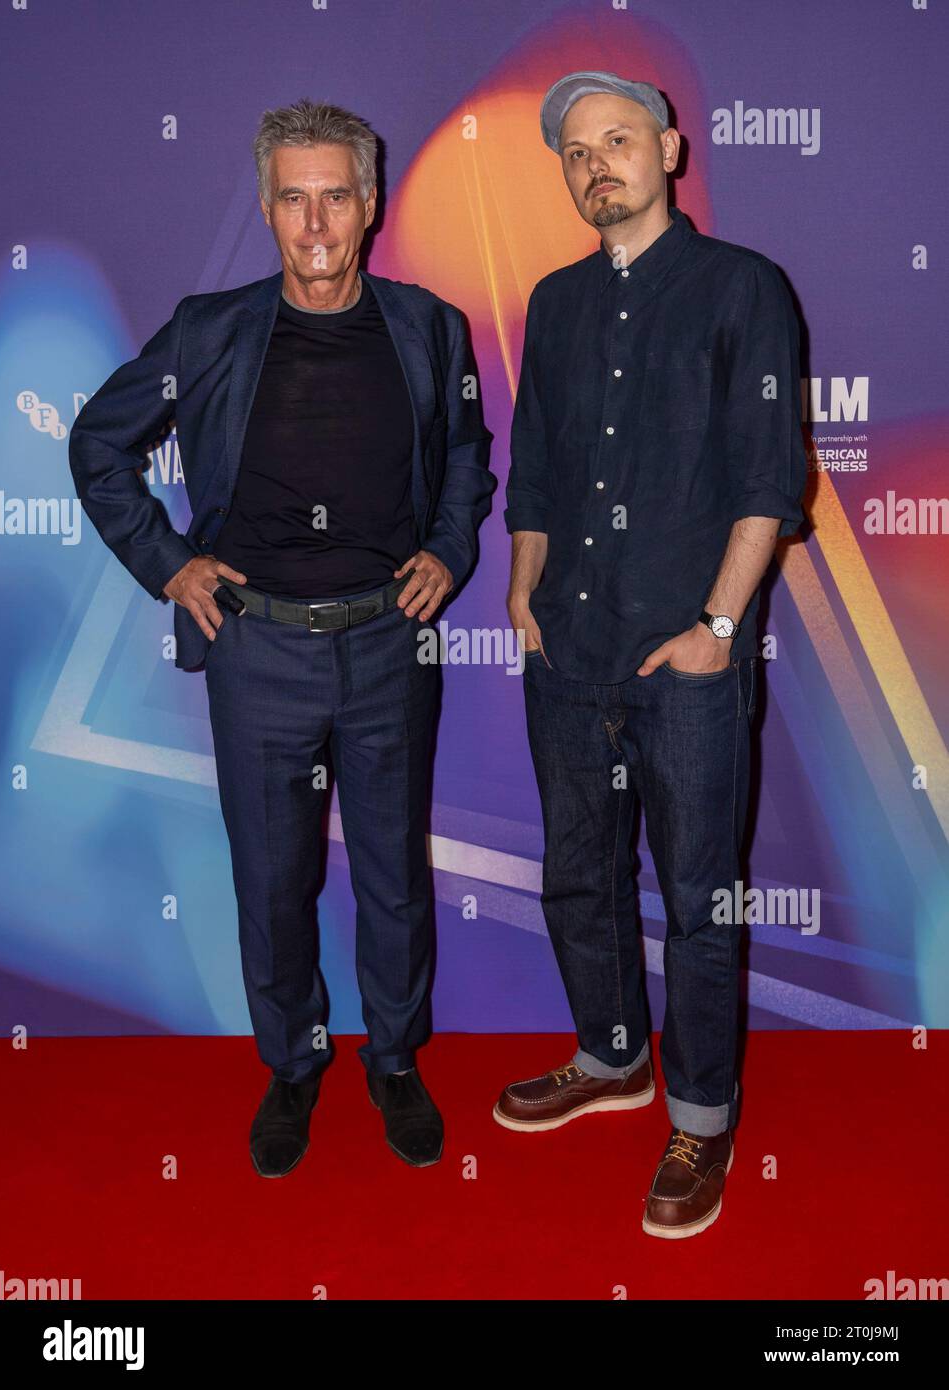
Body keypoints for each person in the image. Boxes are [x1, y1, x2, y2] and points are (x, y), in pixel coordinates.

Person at [69, 99, 495, 1179]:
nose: (315, 222)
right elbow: (98, 444)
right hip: (255, 649)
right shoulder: (208, 332)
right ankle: (293, 1066)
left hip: (386, 645)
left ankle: (393, 1062)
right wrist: (169, 564)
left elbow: (464, 450)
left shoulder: (427, 327)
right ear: (266, 210)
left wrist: (449, 546)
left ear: (370, 207)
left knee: (394, 875)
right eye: (293, 199)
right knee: (272, 877)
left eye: (335, 196)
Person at [494, 73, 807, 1238]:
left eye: (617, 140)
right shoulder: (555, 301)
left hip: (686, 664)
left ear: (669, 150)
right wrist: (521, 587)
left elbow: (768, 481)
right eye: (575, 151)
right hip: (567, 649)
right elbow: (533, 464)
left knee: (696, 896)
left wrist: (716, 633)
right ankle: (611, 1054)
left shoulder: (740, 289)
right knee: (577, 875)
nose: (596, 165)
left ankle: (702, 1114)